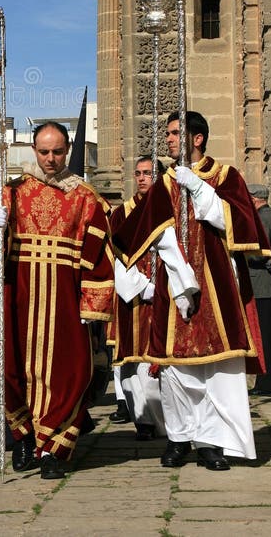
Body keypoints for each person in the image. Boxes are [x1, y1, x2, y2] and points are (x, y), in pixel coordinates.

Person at [114, 110, 271, 472]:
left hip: (218, 287)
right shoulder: (165, 183)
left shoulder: (225, 176)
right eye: (167, 134)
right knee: (176, 372)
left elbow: (242, 225)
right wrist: (181, 279)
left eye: (173, 134)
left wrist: (198, 188)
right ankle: (180, 437)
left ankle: (213, 443)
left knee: (218, 370)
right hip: (176, 287)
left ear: (196, 138)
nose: (167, 140)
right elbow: (148, 233)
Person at [0, 121, 114, 479]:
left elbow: (99, 253)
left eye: (57, 151)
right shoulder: (10, 193)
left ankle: (56, 448)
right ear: (34, 152)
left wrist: (94, 305)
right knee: (9, 367)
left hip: (64, 302)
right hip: (19, 297)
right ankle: (24, 435)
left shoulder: (85, 198)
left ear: (68, 149)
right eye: (44, 152)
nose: (51, 159)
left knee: (68, 373)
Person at [109, 156, 165, 440]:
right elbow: (116, 259)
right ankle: (142, 420)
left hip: (166, 296)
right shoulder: (122, 214)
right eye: (139, 173)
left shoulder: (169, 209)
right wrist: (143, 288)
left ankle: (169, 423)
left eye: (148, 173)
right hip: (133, 299)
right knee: (133, 362)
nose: (142, 178)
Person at [247, 183, 271, 396]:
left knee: (265, 338)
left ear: (254, 199)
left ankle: (267, 385)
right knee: (269, 337)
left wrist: (241, 253)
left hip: (264, 285)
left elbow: (259, 253)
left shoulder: (263, 219)